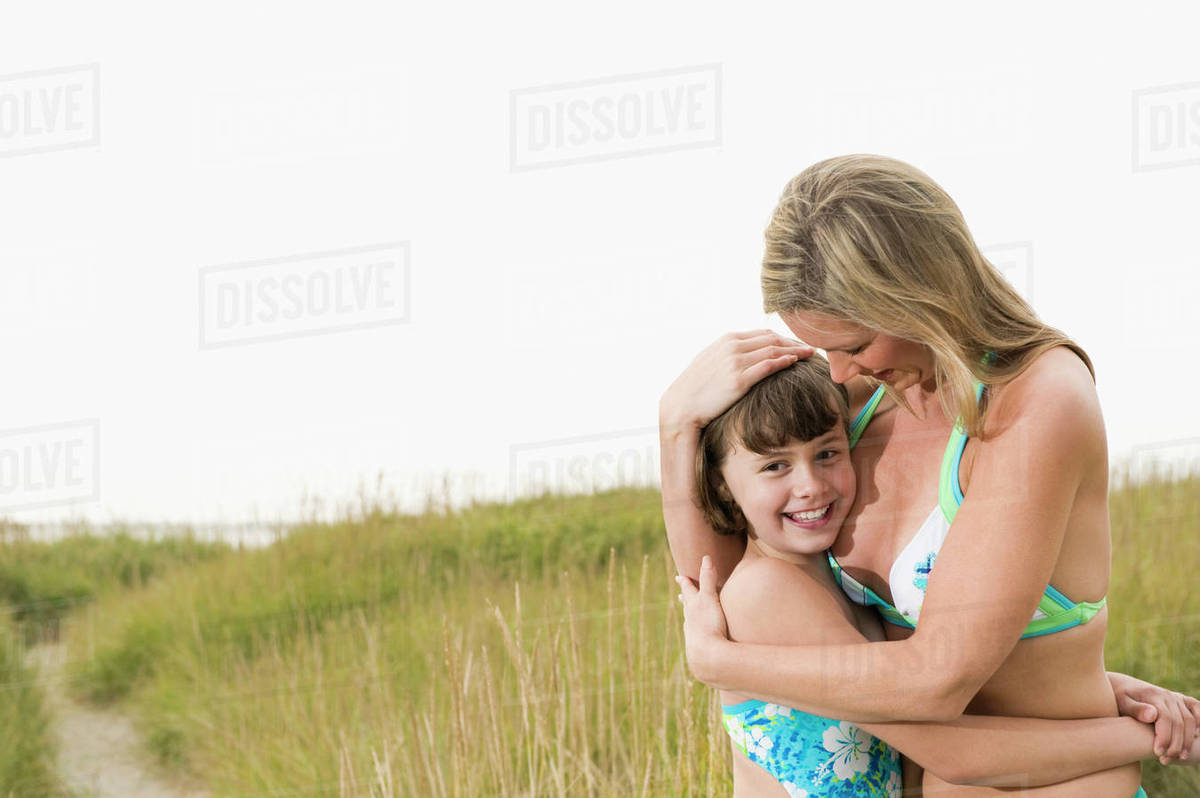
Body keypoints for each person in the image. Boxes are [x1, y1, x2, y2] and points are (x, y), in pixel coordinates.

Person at [660, 154, 1200, 797]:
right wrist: (675, 428)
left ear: (919, 297)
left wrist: (727, 664)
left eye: (854, 345)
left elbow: (938, 679)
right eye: (824, 347)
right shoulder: (858, 406)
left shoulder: (1037, 401)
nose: (835, 372)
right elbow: (736, 579)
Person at [682, 353, 1195, 796]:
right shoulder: (769, 593)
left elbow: (901, 676)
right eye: (775, 467)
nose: (811, 485)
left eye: (828, 454)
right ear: (722, 485)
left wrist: (1112, 689)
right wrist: (1153, 735)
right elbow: (952, 750)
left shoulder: (835, 578)